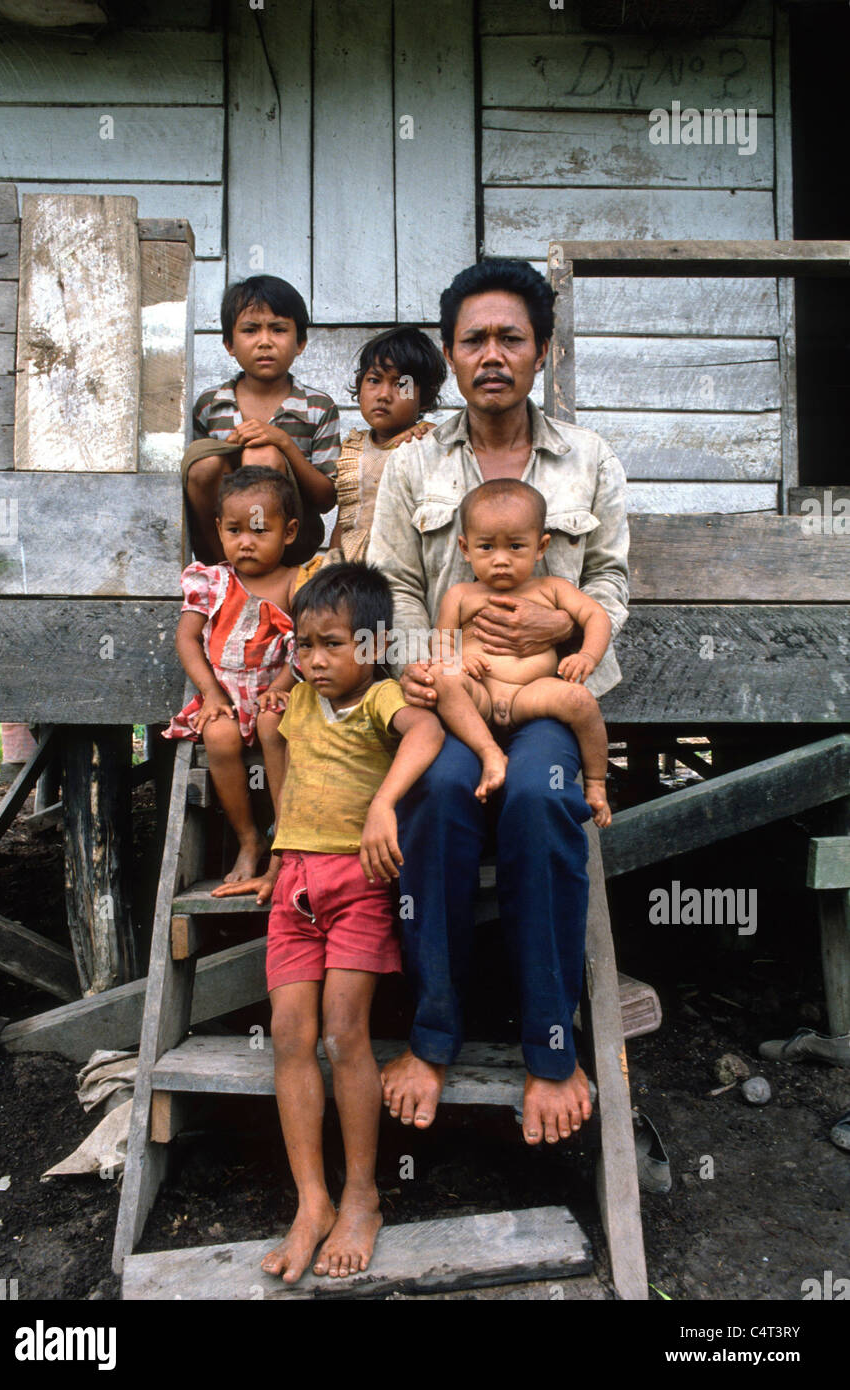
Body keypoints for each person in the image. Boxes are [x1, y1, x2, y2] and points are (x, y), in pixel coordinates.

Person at [366, 258, 630, 1145]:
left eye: (510, 337)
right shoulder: (413, 467)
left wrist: (564, 650)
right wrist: (421, 661)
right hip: (454, 699)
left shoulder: (588, 460)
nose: (491, 354)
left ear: (541, 352)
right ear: (449, 352)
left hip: (551, 701)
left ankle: (550, 1050)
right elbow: (396, 584)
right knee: (436, 800)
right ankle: (431, 1038)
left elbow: (612, 583)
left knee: (540, 798)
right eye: (473, 338)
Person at [235, 563, 444, 1284]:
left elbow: (425, 734)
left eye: (330, 645)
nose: (314, 660)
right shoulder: (293, 704)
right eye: (304, 645)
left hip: (357, 886)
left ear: (374, 642)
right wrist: (271, 850)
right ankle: (311, 1202)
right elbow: (280, 764)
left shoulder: (384, 696)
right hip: (294, 882)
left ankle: (362, 1195)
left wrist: (385, 804)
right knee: (290, 1034)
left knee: (342, 1033)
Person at [428, 478, 613, 825]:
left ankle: (596, 783)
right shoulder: (461, 595)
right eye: (486, 548)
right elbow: (441, 642)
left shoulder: (552, 589)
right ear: (465, 549)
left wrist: (587, 656)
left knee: (580, 701)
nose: (501, 560)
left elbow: (596, 615)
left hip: (533, 696)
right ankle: (489, 753)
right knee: (442, 677)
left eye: (515, 546)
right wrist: (457, 660)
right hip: (480, 695)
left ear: (541, 546)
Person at [162, 467, 299, 888]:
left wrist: (281, 688)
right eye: (235, 530)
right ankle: (248, 838)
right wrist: (210, 693)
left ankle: (285, 839)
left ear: (289, 532)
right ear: (219, 529)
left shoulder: (298, 581)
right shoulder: (212, 581)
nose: (246, 542)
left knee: (273, 723)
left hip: (278, 695)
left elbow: (307, 645)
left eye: (260, 530)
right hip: (225, 696)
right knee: (219, 737)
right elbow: (187, 639)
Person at [182, 275, 339, 567]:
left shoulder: (318, 406)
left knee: (262, 454)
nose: (265, 342)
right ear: (229, 343)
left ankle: (266, 572)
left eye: (278, 330)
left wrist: (283, 444)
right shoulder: (210, 405)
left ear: (300, 342)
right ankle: (225, 574)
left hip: (291, 541)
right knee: (202, 461)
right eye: (251, 330)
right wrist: (226, 455)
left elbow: (327, 499)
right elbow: (198, 484)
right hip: (223, 541)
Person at [324, 327, 447, 563]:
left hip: (402, 567)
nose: (383, 395)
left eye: (402, 385)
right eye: (373, 380)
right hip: (353, 569)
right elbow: (347, 517)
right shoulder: (354, 448)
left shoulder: (425, 441)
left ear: (426, 398)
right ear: (360, 387)